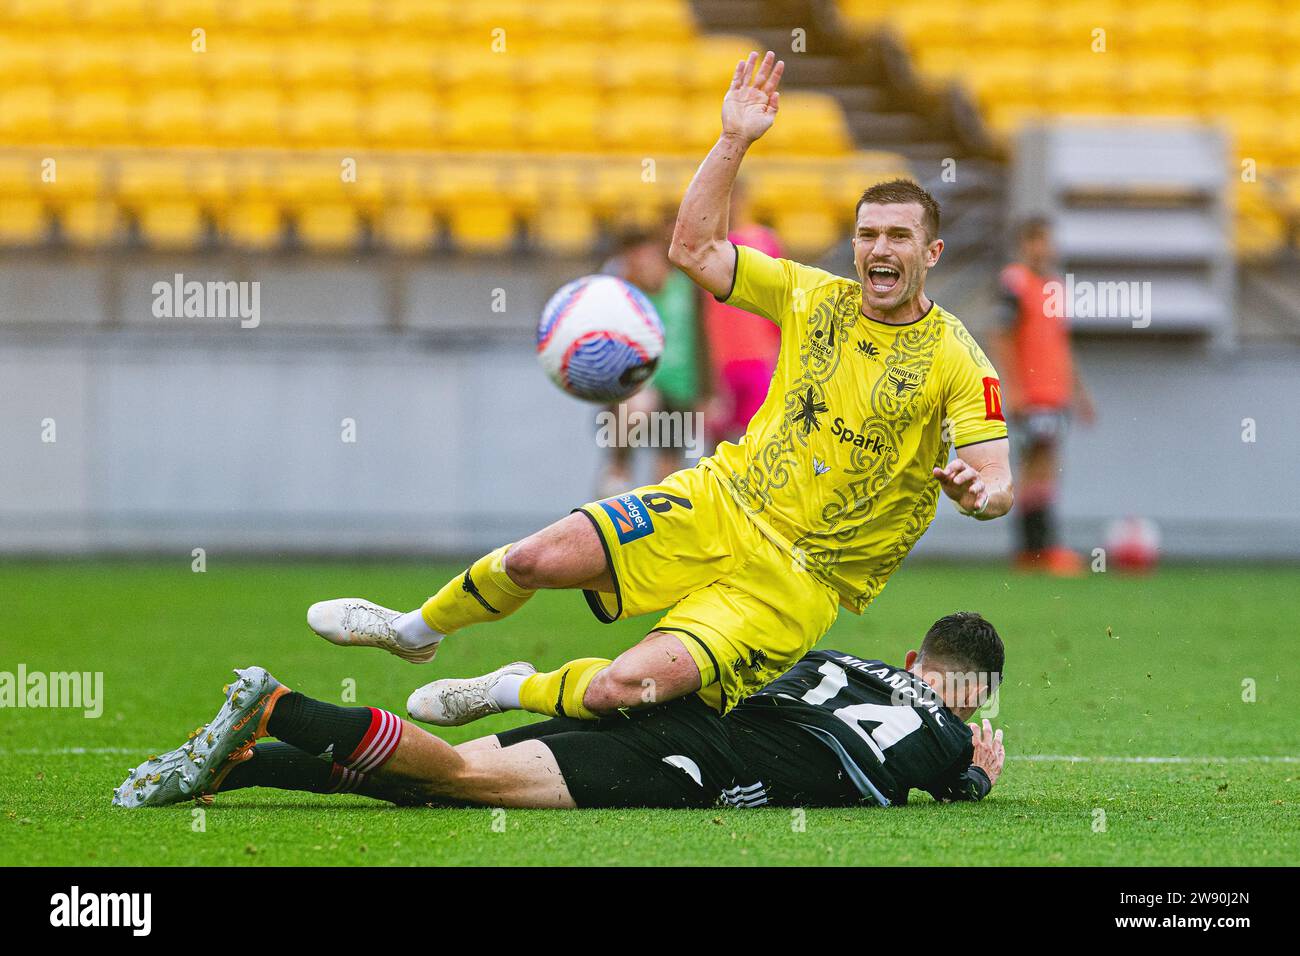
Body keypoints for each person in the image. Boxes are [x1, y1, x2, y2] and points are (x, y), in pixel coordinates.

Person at [303, 51, 1014, 730]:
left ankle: (509, 686)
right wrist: (734, 139)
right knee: (533, 560)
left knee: (626, 688)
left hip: (799, 579)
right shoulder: (809, 293)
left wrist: (979, 496)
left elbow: (997, 482)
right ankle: (411, 630)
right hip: (721, 500)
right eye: (867, 235)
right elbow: (695, 251)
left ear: (931, 253)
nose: (880, 249)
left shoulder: (958, 359)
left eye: (898, 236)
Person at [114, 612, 1006, 811]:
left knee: (443, 786)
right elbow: (953, 792)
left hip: (678, 713)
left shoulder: (835, 656)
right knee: (464, 778)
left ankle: (248, 761)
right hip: (696, 766)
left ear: (915, 661)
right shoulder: (947, 734)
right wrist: (974, 770)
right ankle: (282, 707)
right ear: (974, 692)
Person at [992, 217, 1095, 575]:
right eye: (1035, 241)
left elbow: (1060, 345)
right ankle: (1035, 549)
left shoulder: (1054, 287)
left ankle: (1038, 550)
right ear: (1024, 245)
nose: (1042, 248)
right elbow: (1002, 336)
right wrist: (1015, 388)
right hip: (1032, 393)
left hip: (1055, 393)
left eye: (1046, 241)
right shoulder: (1015, 283)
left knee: (1047, 467)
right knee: (1034, 465)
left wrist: (1080, 393)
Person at [597, 221, 710, 497]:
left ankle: (661, 519)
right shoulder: (624, 297)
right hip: (640, 387)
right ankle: (616, 475)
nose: (645, 266)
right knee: (636, 406)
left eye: (649, 258)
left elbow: (702, 338)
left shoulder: (686, 288)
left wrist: (708, 391)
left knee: (669, 471)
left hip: (681, 388)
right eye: (636, 261)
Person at [702, 176, 783, 443]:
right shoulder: (706, 247)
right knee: (717, 446)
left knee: (757, 442)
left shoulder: (764, 240)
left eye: (733, 196)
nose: (729, 203)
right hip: (721, 364)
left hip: (759, 360)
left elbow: (780, 301)